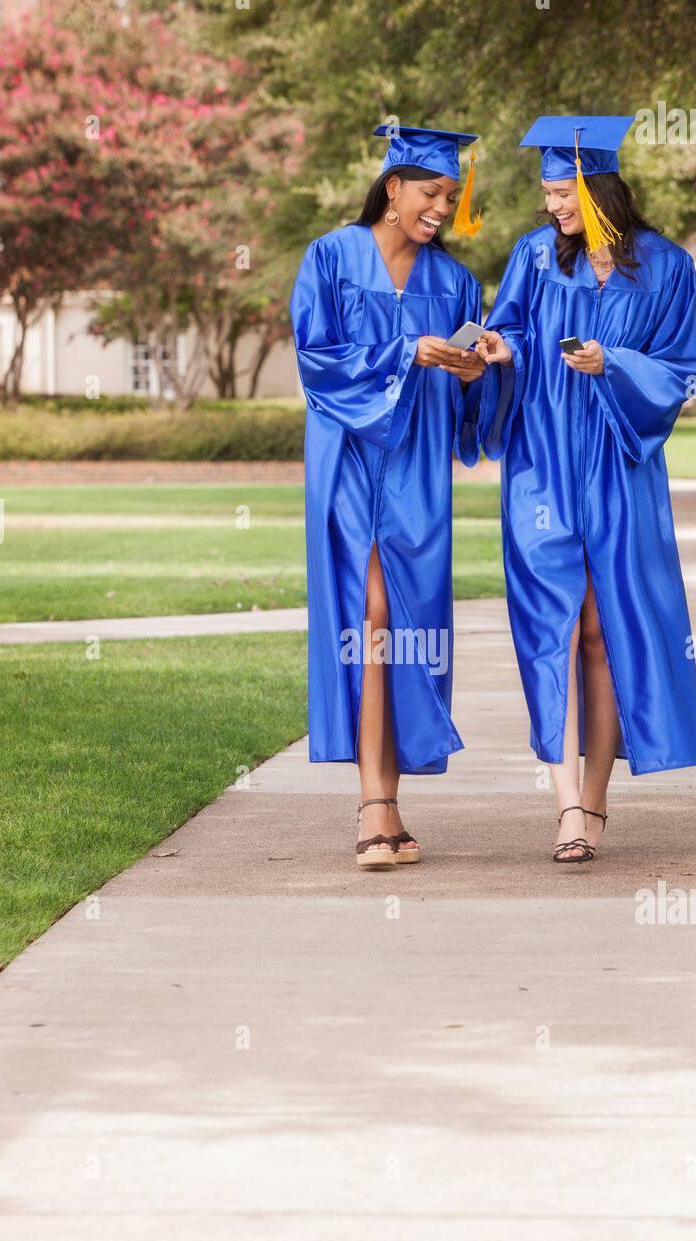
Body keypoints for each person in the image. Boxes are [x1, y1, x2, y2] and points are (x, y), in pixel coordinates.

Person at [476, 115, 696, 864]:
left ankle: (598, 799)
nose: (552, 207)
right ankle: (566, 806)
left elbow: (683, 369)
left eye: (561, 191)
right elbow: (507, 333)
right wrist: (496, 347)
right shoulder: (536, 257)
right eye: (546, 193)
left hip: (620, 461)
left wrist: (615, 363)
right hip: (542, 460)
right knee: (555, 624)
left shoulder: (667, 267)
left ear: (596, 185)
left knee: (605, 633)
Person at [289, 122, 486, 869]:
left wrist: (475, 372)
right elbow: (316, 359)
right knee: (368, 614)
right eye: (432, 192)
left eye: (451, 195)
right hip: (347, 456)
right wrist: (407, 350)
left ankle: (390, 808)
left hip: (418, 465)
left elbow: (477, 393)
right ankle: (374, 806)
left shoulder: (456, 282)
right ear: (393, 187)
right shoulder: (332, 257)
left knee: (407, 623)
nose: (441, 206)